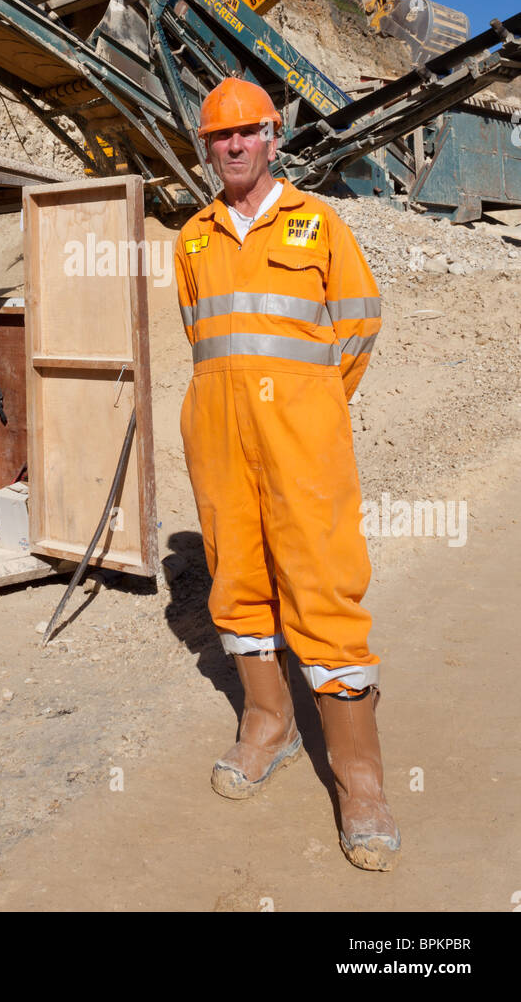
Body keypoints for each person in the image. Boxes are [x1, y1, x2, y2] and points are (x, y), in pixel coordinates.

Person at [174, 76, 400, 872]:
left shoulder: (318, 221)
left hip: (302, 434)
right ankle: (266, 725)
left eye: (245, 133)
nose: (231, 146)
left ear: (272, 138)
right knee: (235, 575)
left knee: (321, 579)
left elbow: (360, 321)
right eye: (216, 136)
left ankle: (361, 778)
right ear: (206, 148)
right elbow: (203, 336)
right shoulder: (191, 237)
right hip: (217, 432)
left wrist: (306, 404)